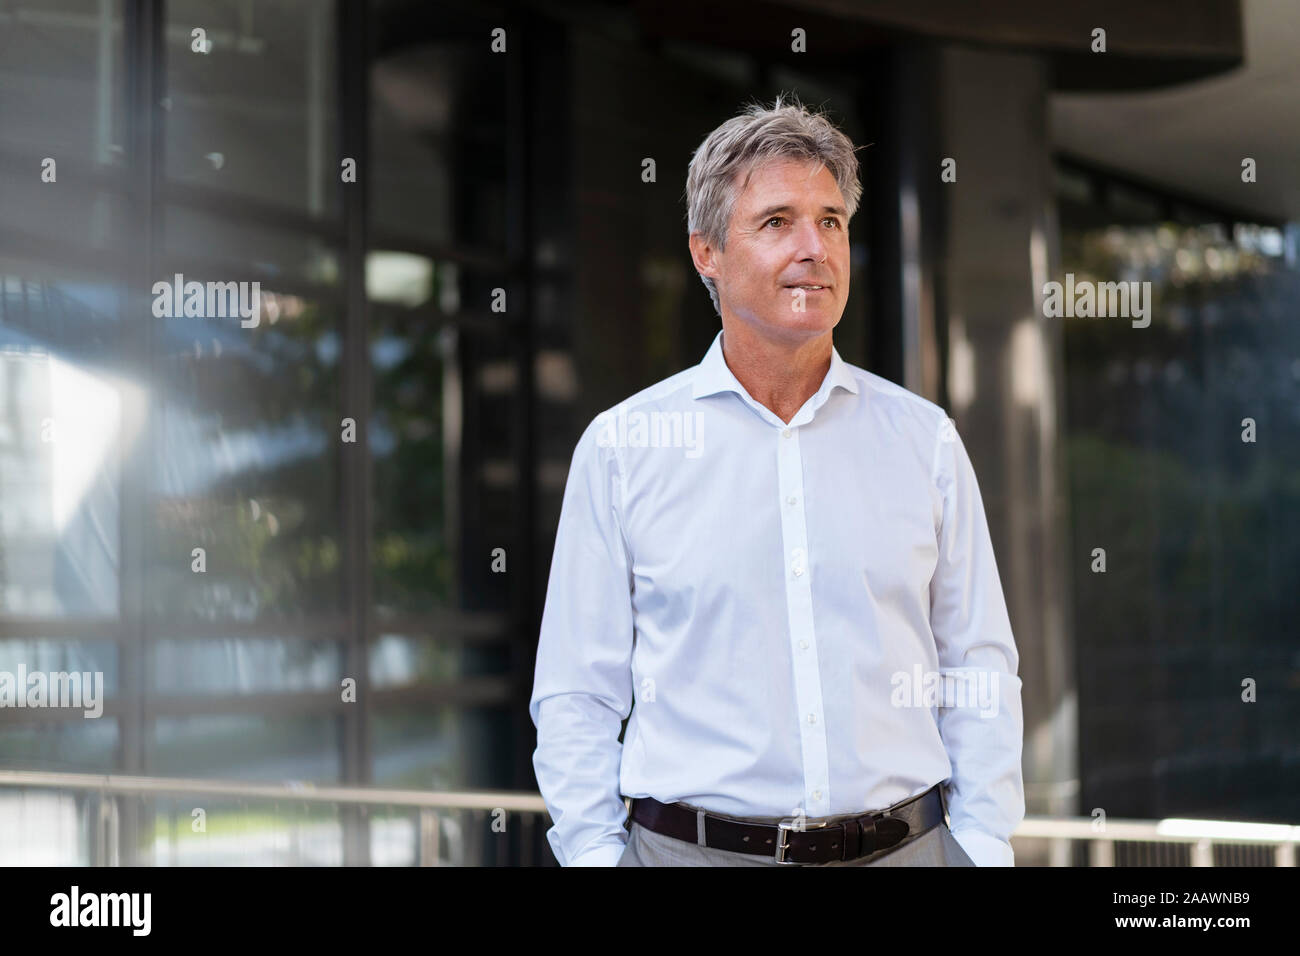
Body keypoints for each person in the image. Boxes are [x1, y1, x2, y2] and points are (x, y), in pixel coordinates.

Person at [529, 92, 1024, 866]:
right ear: (707, 253)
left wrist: (983, 845)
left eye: (831, 221)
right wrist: (595, 856)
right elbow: (576, 693)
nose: (814, 248)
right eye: (776, 222)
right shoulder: (624, 449)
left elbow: (977, 665)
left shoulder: (922, 440)